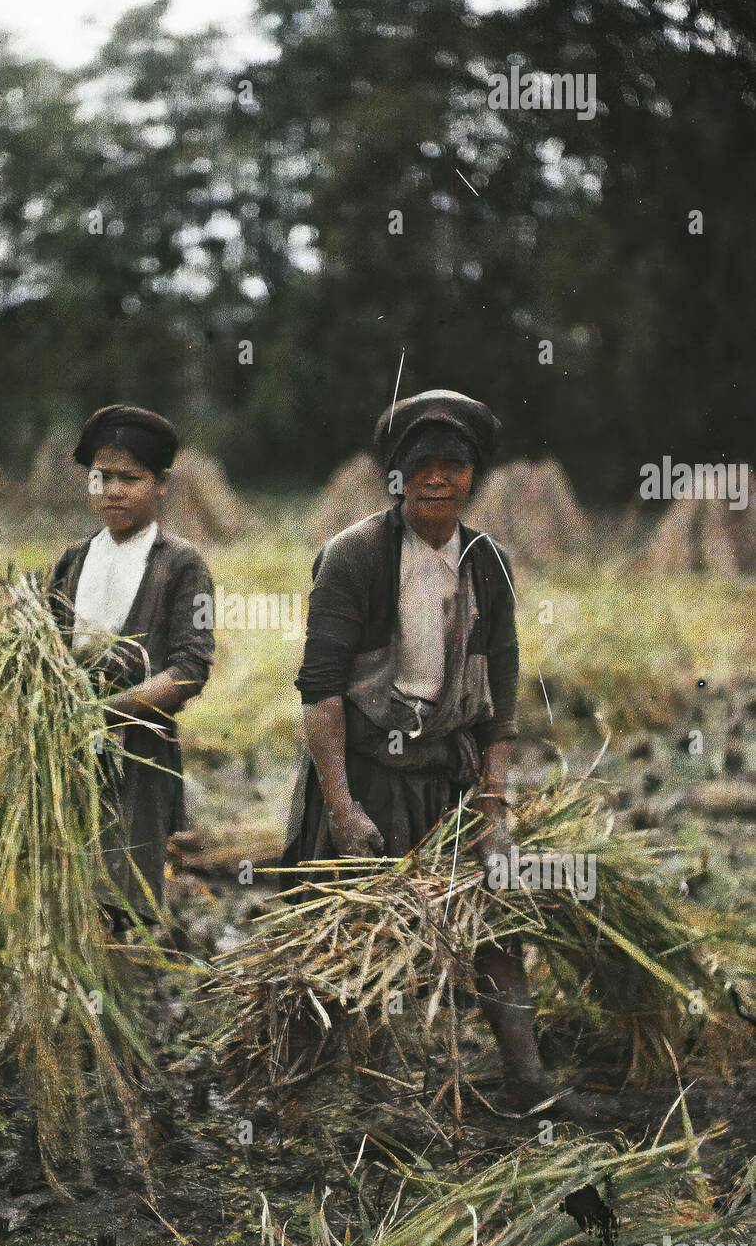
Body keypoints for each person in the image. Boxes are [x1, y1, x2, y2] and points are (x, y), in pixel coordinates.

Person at [282, 389, 556, 1110]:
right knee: (337, 935)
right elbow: (320, 692)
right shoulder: (353, 557)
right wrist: (341, 808)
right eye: (421, 465)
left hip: (448, 781)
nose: (437, 478)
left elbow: (500, 700)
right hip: (365, 775)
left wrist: (494, 812)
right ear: (394, 475)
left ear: (474, 476)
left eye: (454, 465)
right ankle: (310, 1098)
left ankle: (528, 1085)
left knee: (495, 927)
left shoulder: (488, 564)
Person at [47, 404, 215, 929]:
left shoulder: (180, 564)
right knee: (62, 886)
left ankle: (120, 989)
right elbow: (47, 650)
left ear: (161, 484)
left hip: (138, 754)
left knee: (121, 900)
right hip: (65, 755)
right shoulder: (74, 559)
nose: (112, 490)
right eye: (101, 477)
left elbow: (189, 669)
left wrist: (103, 711)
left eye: (129, 478)